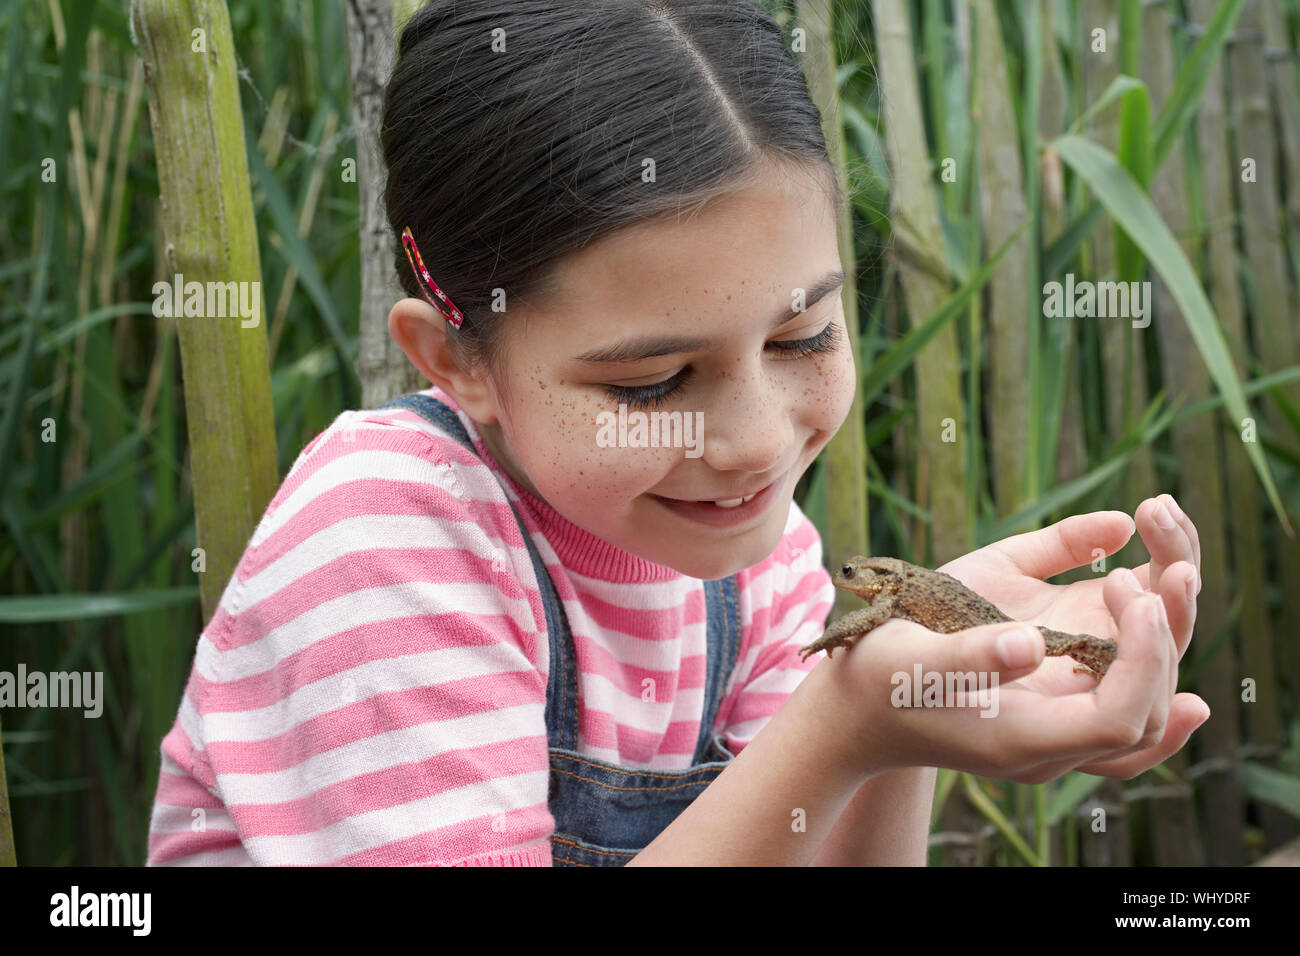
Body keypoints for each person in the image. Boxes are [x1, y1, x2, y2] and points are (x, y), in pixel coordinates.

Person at [146, 0, 1207, 866]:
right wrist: (841, 726)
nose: (752, 445)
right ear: (455, 359)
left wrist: (910, 719)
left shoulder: (761, 561)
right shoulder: (378, 543)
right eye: (653, 383)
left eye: (802, 335)